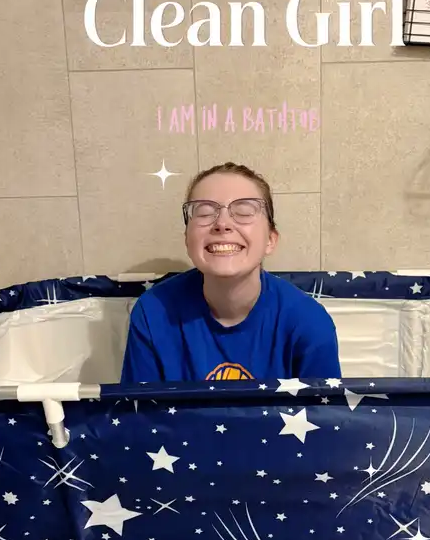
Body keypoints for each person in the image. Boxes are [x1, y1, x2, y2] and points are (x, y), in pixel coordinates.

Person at [120, 162, 341, 383]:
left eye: (244, 212)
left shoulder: (309, 322)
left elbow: (324, 405)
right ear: (187, 239)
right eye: (205, 212)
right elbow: (140, 405)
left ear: (270, 240)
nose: (222, 224)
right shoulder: (153, 312)